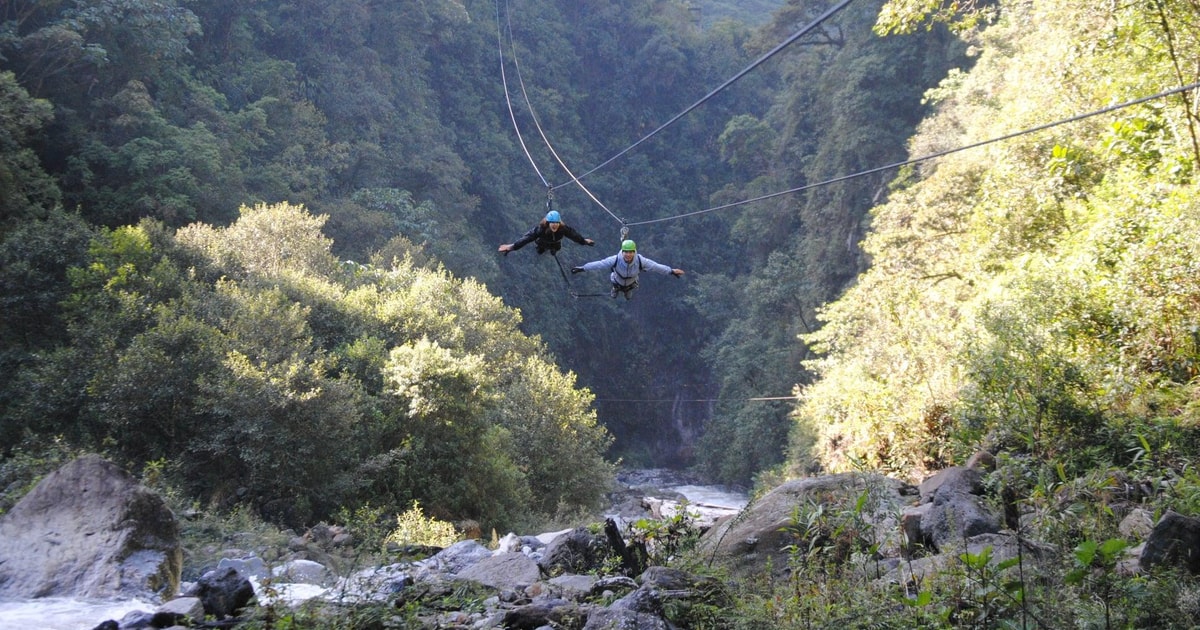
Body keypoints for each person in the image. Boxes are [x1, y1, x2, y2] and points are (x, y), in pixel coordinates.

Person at [571, 239, 683, 300]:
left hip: (631, 283)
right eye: (626, 252)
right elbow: (599, 264)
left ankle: (625, 291)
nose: (628, 255)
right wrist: (582, 268)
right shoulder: (615, 259)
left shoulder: (640, 261)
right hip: (617, 280)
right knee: (614, 295)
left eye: (631, 252)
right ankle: (615, 289)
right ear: (622, 251)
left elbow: (656, 266)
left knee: (628, 297)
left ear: (634, 252)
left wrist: (671, 271)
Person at [498, 210, 594, 256]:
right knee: (540, 250)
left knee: (556, 249)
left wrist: (584, 241)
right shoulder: (541, 229)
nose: (555, 225)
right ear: (548, 223)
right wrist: (511, 247)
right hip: (542, 242)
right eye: (552, 223)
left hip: (556, 243)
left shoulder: (563, 229)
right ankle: (543, 250)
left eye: (556, 223)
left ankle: (553, 251)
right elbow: (526, 238)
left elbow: (574, 235)